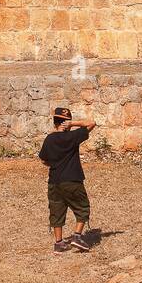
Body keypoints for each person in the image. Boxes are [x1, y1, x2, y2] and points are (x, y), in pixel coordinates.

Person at [39, 106, 96, 253]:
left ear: (54, 122)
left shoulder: (49, 139)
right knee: (82, 207)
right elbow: (92, 123)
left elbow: (44, 160)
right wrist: (74, 123)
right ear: (66, 123)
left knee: (56, 210)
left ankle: (58, 242)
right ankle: (77, 236)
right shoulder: (73, 137)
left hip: (54, 181)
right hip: (72, 179)